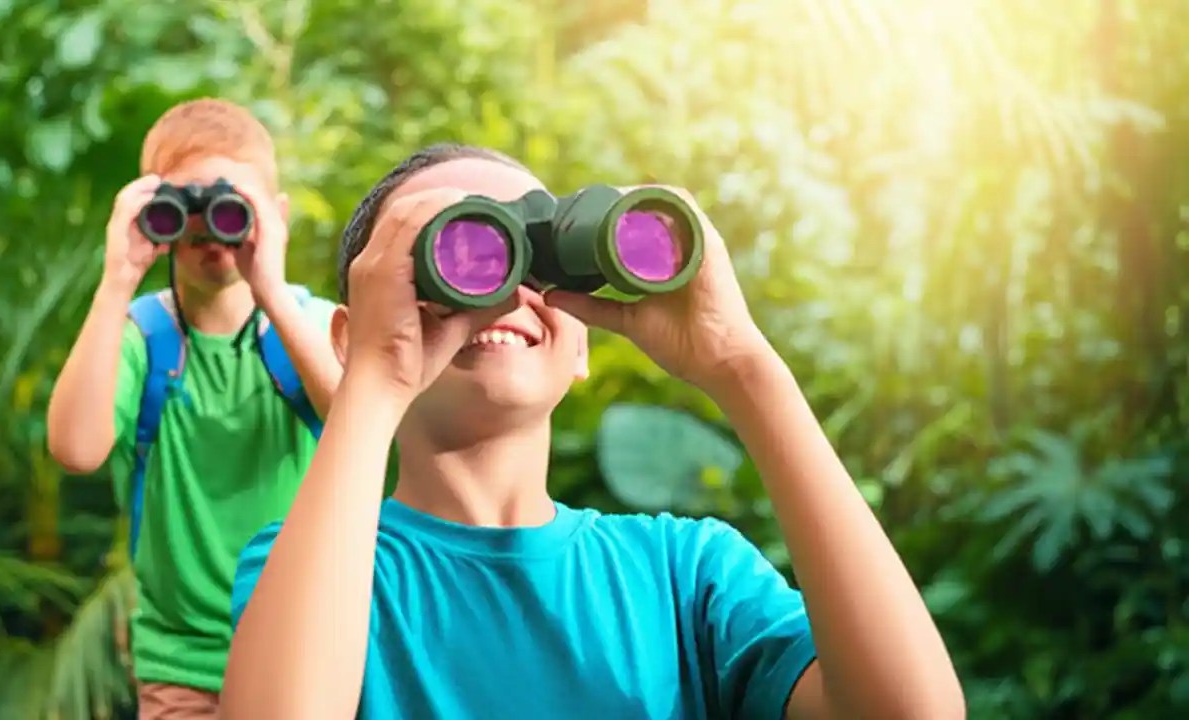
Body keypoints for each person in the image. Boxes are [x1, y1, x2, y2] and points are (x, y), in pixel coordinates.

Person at [221, 144, 966, 719]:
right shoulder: (323, 570)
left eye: (535, 255)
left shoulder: (682, 571)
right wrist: (376, 381)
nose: (503, 291)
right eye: (453, 260)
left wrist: (744, 367)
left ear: (580, 340)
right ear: (348, 339)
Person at [45, 98, 343, 719]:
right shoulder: (139, 339)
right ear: (155, 213)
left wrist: (272, 288)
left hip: (307, 652)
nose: (213, 224)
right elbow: (76, 450)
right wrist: (117, 278)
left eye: (235, 205)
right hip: (181, 665)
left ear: (276, 216)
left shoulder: (308, 329)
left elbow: (361, 423)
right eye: (188, 207)